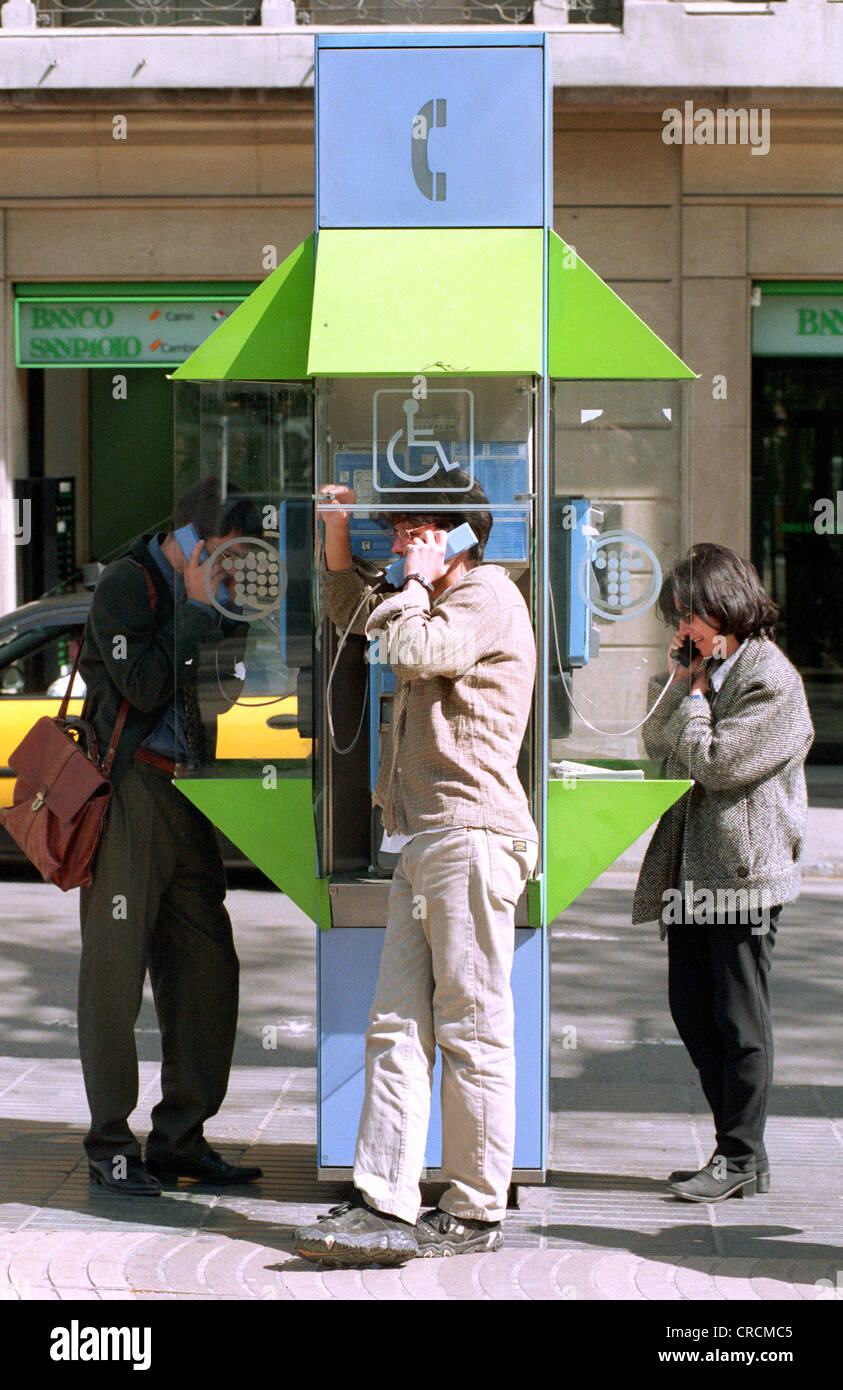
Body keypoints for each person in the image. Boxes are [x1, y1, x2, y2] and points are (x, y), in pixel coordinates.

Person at [295, 474, 538, 1265]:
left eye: (415, 531)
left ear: (459, 537)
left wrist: (409, 585)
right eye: (397, 530)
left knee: (471, 1028)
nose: (400, 543)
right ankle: (384, 1202)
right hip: (424, 840)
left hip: (471, 836)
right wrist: (338, 535)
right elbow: (350, 615)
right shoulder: (427, 599)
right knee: (396, 1026)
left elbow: (412, 646)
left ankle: (472, 1211)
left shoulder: (487, 597)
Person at [77, 476, 264, 1195]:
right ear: (187, 539)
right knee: (114, 977)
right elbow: (147, 687)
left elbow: (223, 693)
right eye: (220, 553)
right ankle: (109, 1142)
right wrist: (190, 608)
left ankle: (182, 1135)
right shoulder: (128, 587)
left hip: (190, 790)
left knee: (205, 968)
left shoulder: (211, 594)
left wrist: (223, 615)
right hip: (129, 790)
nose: (227, 568)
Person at [633, 543, 813, 1202]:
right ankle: (738, 1151)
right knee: (690, 1008)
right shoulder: (699, 673)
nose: (681, 631)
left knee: (738, 1019)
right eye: (675, 618)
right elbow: (655, 744)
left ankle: (739, 1156)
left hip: (742, 870)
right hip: (690, 868)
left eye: (689, 615)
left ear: (724, 606)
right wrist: (683, 685)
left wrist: (698, 696)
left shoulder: (770, 678)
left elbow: (716, 763)